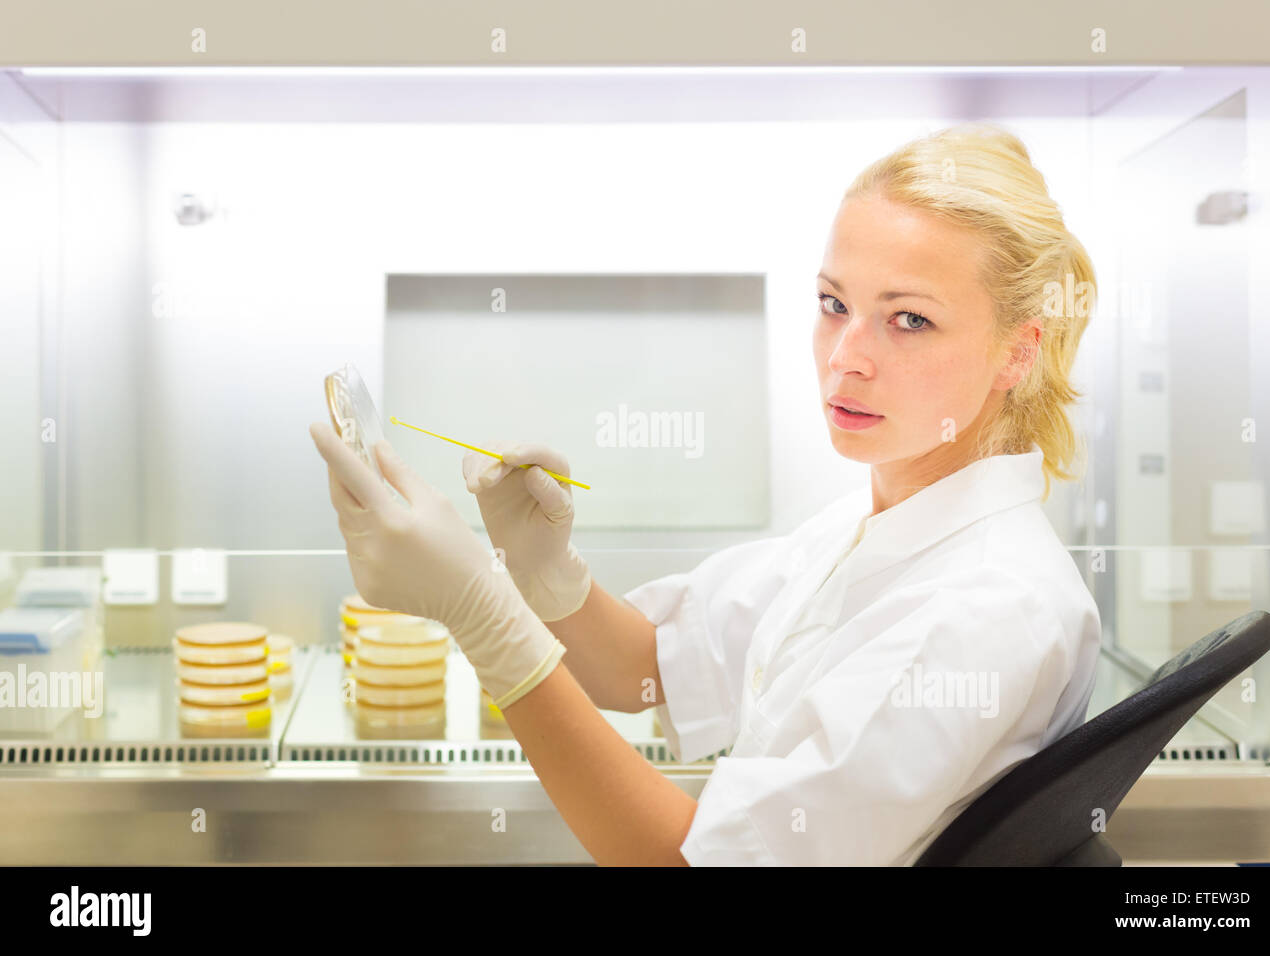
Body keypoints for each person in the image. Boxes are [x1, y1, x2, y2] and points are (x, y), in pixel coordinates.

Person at [309, 122, 1101, 866]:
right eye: (834, 305)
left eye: (910, 320)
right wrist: (544, 574)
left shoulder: (989, 607)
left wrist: (484, 614)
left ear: (1018, 352)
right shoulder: (868, 528)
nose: (845, 358)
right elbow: (647, 667)